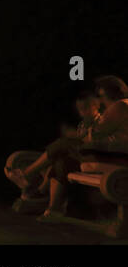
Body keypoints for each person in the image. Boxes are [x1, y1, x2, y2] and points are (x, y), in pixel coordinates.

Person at [35, 76, 128, 222]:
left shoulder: (121, 105)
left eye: (100, 95)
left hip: (118, 158)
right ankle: (53, 209)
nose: (100, 100)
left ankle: (32, 179)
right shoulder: (119, 107)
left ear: (109, 93)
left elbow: (96, 133)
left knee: (64, 144)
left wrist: (85, 132)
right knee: (63, 159)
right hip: (111, 154)